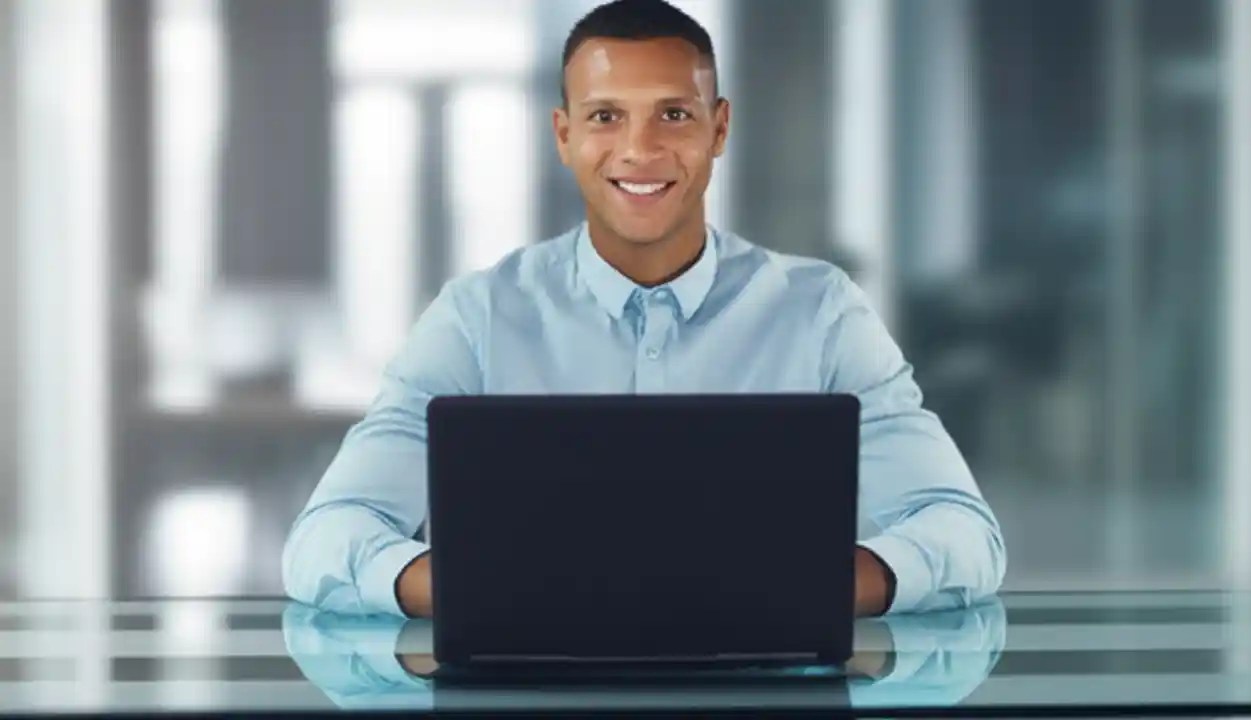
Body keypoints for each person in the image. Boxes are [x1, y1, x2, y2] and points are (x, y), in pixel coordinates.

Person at [282, 0, 1006, 620]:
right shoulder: (476, 318)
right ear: (564, 136)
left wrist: (818, 586)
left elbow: (964, 532)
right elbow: (326, 538)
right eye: (605, 116)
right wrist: (472, 590)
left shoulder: (821, 313)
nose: (641, 149)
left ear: (718, 130)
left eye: (673, 114)